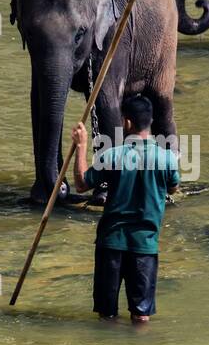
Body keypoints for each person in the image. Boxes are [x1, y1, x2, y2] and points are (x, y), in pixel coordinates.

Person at [70, 94, 180, 323]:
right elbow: (173, 188)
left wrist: (81, 147)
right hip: (145, 244)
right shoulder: (168, 159)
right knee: (141, 316)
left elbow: (81, 185)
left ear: (127, 122)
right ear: (150, 121)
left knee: (106, 315)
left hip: (111, 242)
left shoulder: (111, 156)